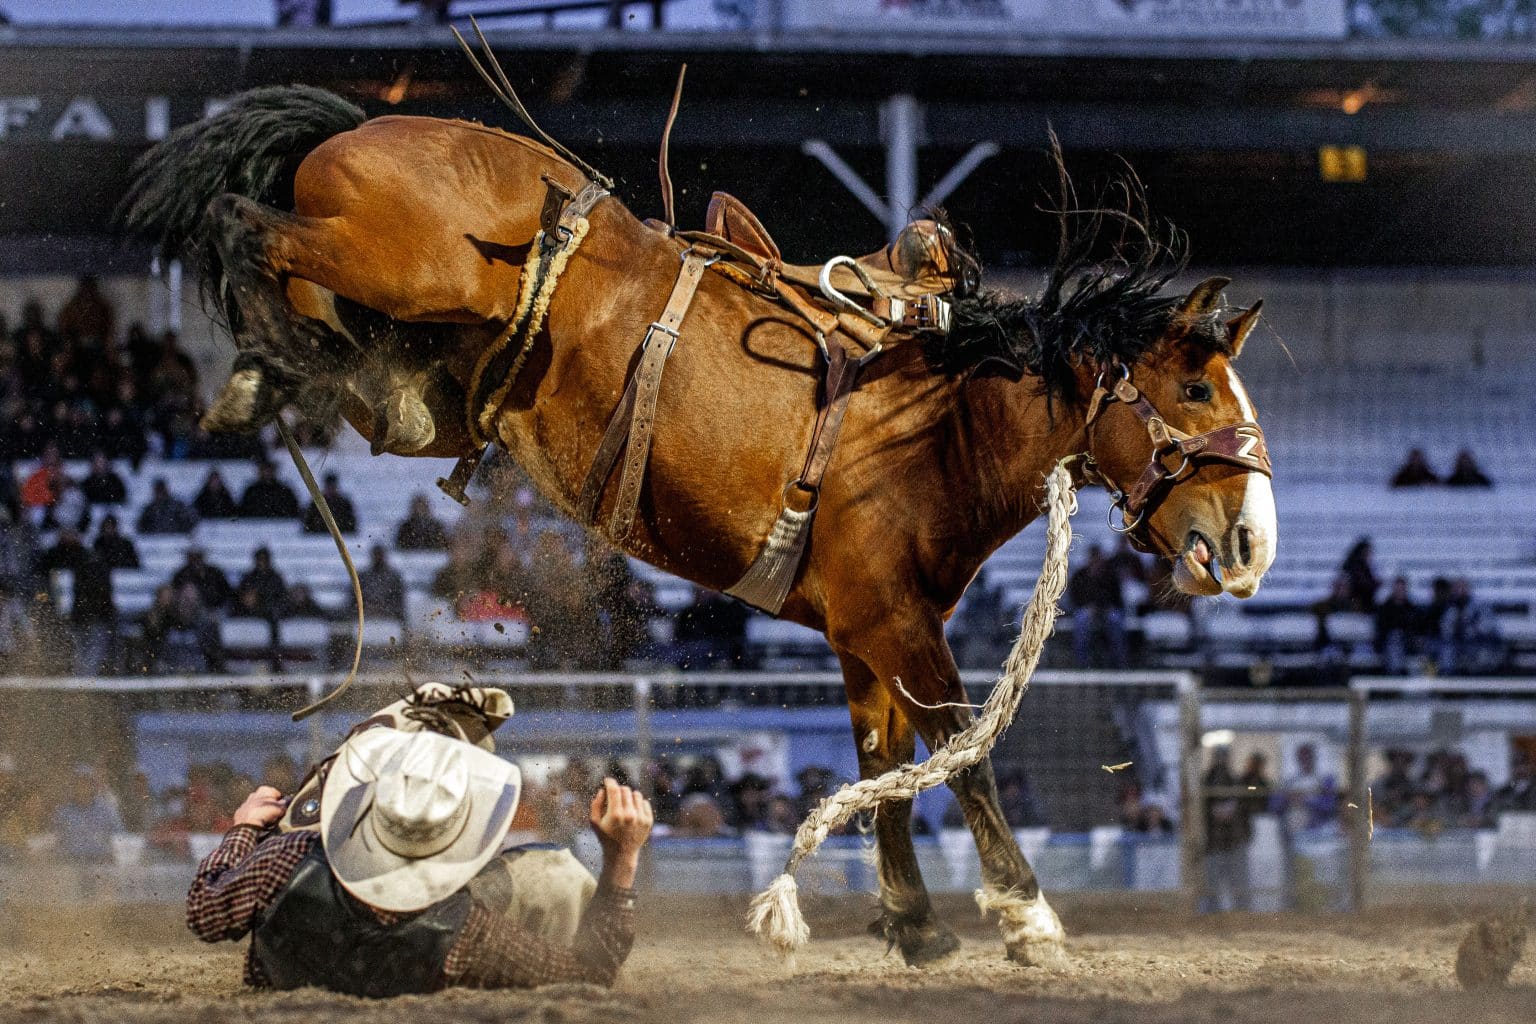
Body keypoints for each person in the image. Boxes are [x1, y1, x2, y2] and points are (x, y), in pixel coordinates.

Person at [186, 729, 651, 994]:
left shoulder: (285, 861)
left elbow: (204, 911)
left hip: (286, 984)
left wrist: (245, 827)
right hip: (426, 962)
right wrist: (621, 857)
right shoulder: (468, 934)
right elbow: (590, 975)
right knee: (556, 876)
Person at [1201, 746, 1253, 913]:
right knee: (1212, 889)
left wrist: (1245, 835)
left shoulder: (1235, 781)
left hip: (1233, 842)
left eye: (1224, 757)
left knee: (1239, 888)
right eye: (1219, 757)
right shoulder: (1206, 781)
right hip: (1213, 844)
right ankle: (1211, 921)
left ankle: (1242, 920)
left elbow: (1243, 811)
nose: (1221, 761)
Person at [1067, 543, 1128, 667]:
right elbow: (1074, 597)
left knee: (1115, 619)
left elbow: (1117, 597)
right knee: (1081, 620)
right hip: (1086, 609)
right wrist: (1088, 607)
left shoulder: (1110, 575)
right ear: (1089, 559)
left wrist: (1104, 607)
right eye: (1093, 559)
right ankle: (1082, 662)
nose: (1096, 562)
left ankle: (1118, 661)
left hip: (1108, 609)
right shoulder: (1080, 575)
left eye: (1098, 559)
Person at [1373, 577, 1420, 674]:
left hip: (1408, 644)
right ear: (1393, 589)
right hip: (1388, 643)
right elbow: (1381, 629)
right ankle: (1395, 675)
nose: (1400, 591)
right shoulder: (1385, 608)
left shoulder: (1412, 608)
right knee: (1394, 640)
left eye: (1402, 589)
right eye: (1397, 589)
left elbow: (1416, 629)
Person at [236, 547, 288, 622]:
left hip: (270, 615)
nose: (262, 562)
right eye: (260, 559)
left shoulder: (276, 578)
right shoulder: (248, 577)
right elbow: (241, 596)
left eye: (264, 559)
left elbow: (282, 598)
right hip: (249, 614)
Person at [355, 544, 405, 621]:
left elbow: (399, 601)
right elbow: (354, 599)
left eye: (380, 555)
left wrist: (384, 609)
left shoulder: (394, 576)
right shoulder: (363, 576)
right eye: (376, 555)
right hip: (366, 616)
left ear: (384, 556)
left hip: (389, 617)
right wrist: (368, 607)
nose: (378, 557)